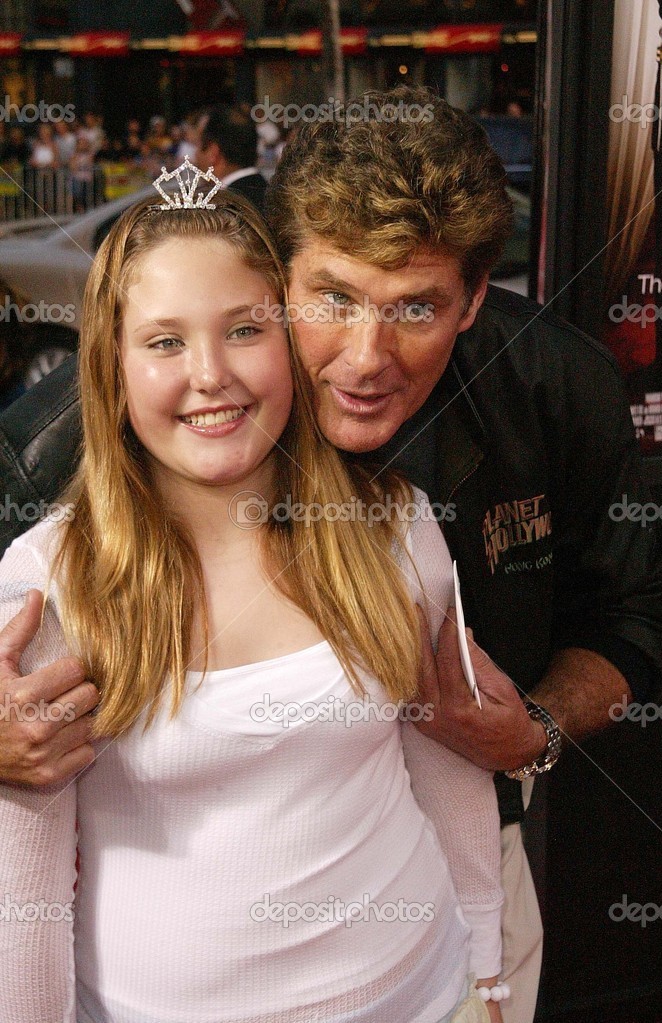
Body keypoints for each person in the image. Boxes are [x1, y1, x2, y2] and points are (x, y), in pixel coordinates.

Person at [0, 86, 662, 1022]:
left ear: (477, 297)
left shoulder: (557, 390)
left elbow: (641, 613)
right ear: (273, 277)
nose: (367, 357)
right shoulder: (59, 450)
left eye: (416, 308)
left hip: (466, 875)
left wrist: (537, 730)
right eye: (333, 297)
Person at [0, 182, 507, 1022]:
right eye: (165, 340)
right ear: (113, 367)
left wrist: (485, 972)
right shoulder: (52, 583)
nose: (211, 375)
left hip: (423, 993)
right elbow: (26, 892)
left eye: (244, 328)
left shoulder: (393, 526)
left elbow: (448, 763)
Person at [194, 103, 268, 212]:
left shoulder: (223, 212)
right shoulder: (273, 195)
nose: (195, 154)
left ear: (213, 153)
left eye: (198, 145)